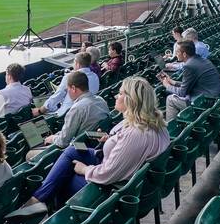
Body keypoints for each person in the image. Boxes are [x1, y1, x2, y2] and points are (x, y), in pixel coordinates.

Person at [14, 76, 169, 215]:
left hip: (113, 189)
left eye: (121, 93)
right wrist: (111, 140)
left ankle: (50, 214)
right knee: (72, 150)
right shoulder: (154, 124)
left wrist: (84, 169)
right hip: (120, 173)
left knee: (64, 177)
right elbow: (126, 148)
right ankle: (37, 199)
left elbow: (107, 174)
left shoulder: (136, 134)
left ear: (132, 100)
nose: (116, 95)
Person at [25, 70, 109, 162]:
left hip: (79, 150)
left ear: (73, 88)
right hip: (92, 145)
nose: (67, 92)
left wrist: (52, 138)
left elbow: (62, 143)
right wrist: (57, 135)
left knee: (29, 155)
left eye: (67, 89)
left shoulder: (77, 108)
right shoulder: (101, 101)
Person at [161, 39, 220, 121]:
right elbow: (191, 85)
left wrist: (167, 85)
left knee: (170, 100)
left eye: (177, 52)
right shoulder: (202, 60)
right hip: (217, 97)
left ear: (184, 54)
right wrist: (173, 82)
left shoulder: (189, 66)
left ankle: (171, 130)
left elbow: (182, 92)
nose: (176, 55)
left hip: (206, 102)